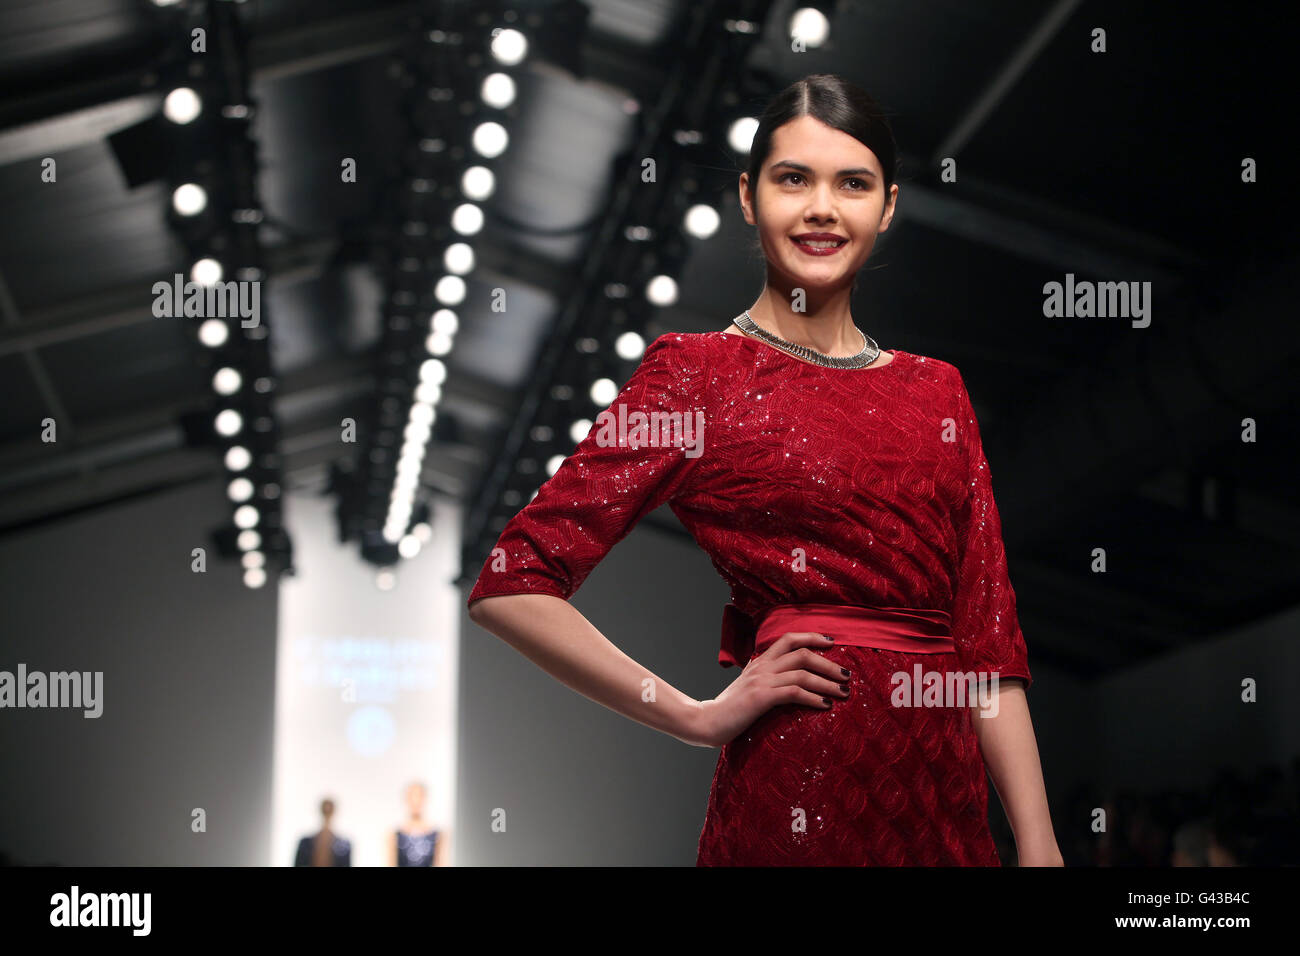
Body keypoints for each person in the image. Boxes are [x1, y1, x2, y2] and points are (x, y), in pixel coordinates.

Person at [467, 73, 1062, 866]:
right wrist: (692, 714)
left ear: (887, 207)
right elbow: (512, 581)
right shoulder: (698, 377)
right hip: (795, 794)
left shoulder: (936, 390)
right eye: (793, 179)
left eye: (852, 183)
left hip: (943, 805)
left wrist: (1040, 844)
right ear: (749, 198)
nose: (822, 208)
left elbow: (987, 643)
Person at [388, 780, 446, 867]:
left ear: (425, 799)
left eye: (419, 796)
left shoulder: (437, 835)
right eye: (412, 796)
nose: (416, 801)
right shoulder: (395, 835)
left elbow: (440, 863)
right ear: (406, 799)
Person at [294, 798, 351, 866]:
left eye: (329, 811)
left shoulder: (343, 846)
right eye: (325, 811)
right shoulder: (305, 843)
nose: (327, 814)